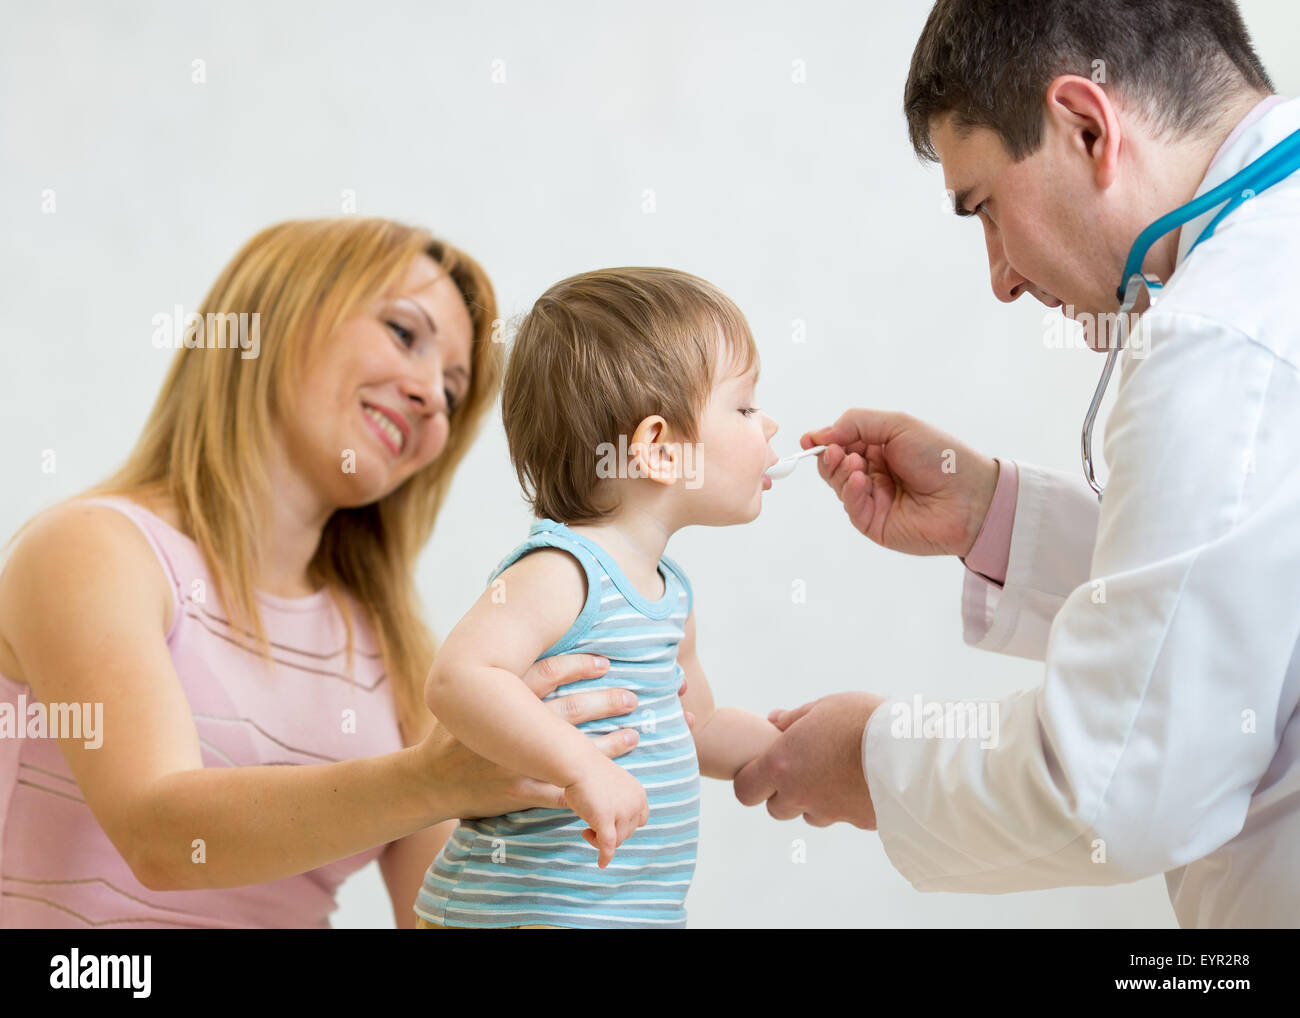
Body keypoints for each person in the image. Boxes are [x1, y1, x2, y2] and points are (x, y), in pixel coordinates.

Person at [734, 0, 1300, 927]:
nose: (1000, 277)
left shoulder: (1216, 338)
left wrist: (871, 760)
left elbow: (1120, 785)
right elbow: (1246, 604)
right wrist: (991, 513)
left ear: (1087, 126)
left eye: (985, 208)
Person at [0, 217, 665, 929]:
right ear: (277, 317)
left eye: (452, 389)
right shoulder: (95, 549)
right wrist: (431, 780)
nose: (431, 400)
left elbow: (445, 915)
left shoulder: (394, 652)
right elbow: (159, 836)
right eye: (404, 334)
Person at [415, 267, 783, 928]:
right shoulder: (562, 571)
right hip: (521, 915)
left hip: (627, 913)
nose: (770, 424)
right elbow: (459, 680)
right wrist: (583, 767)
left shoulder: (671, 594)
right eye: (746, 407)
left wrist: (788, 748)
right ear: (660, 450)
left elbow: (693, 728)